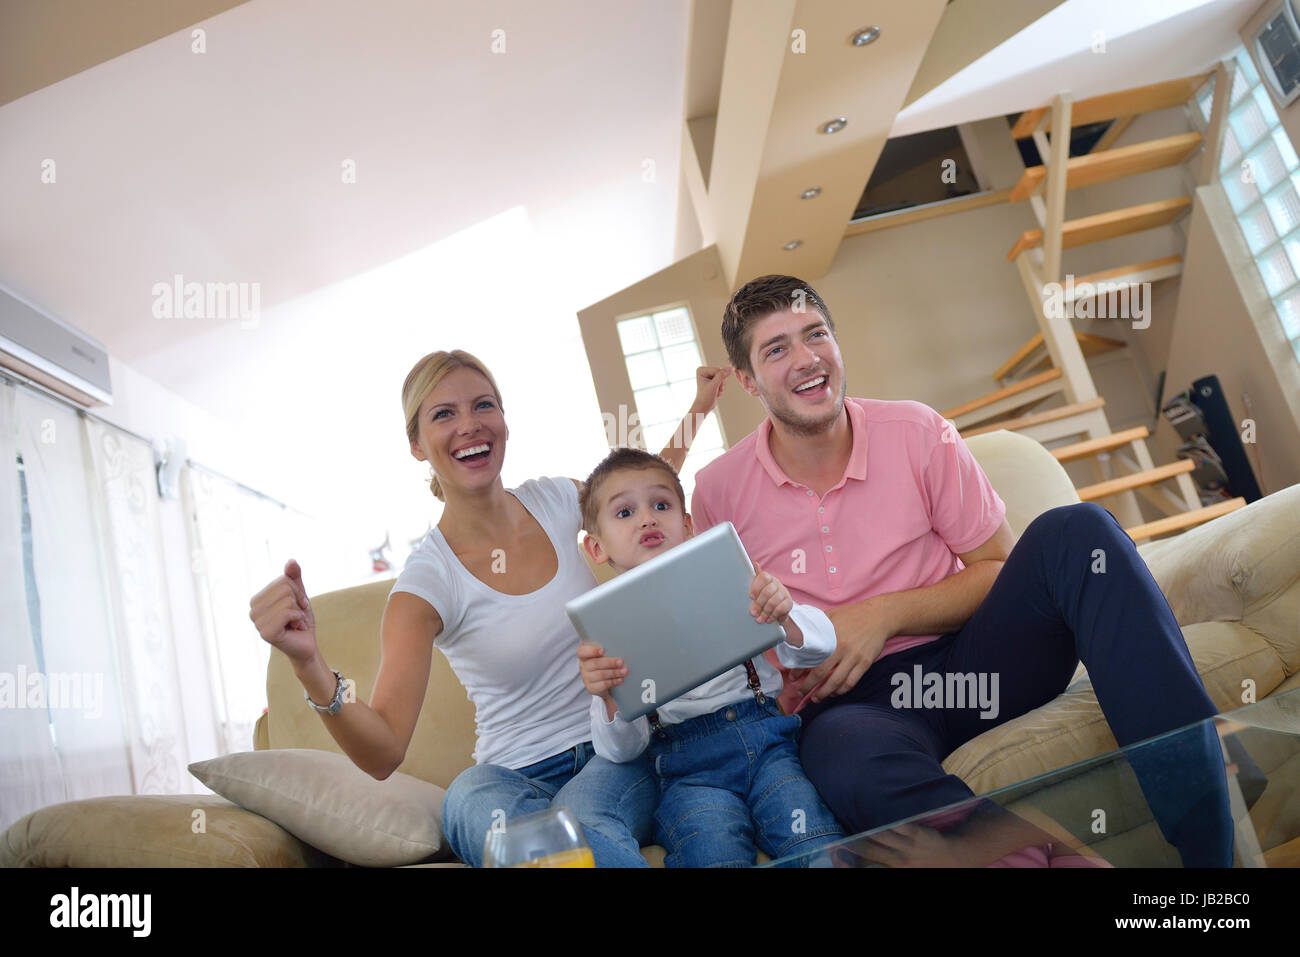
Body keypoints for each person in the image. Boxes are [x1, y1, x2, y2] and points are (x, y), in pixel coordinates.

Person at [688, 274, 1234, 868]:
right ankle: (1030, 855)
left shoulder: (917, 431)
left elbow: (996, 566)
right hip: (855, 708)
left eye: (815, 334)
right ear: (745, 380)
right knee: (841, 753)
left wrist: (884, 613)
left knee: (1079, 532)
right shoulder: (717, 492)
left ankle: (1209, 843)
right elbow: (726, 643)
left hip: (976, 660)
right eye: (776, 349)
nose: (806, 358)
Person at [248, 349, 727, 867]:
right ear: (416, 445)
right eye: (443, 414)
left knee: (577, 819)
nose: (469, 425)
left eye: (483, 405)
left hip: (610, 750)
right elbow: (384, 751)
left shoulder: (558, 501)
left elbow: (642, 495)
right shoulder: (426, 583)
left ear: (503, 420)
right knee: (468, 800)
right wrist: (306, 662)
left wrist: (698, 409)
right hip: (508, 775)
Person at [574, 447, 844, 867]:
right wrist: (609, 696)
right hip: (689, 773)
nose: (647, 518)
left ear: (686, 525)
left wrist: (785, 614)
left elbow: (821, 646)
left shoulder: (733, 578)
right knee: (710, 850)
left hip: (770, 748)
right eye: (624, 513)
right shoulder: (608, 634)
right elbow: (621, 752)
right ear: (596, 547)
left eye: (660, 505)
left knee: (812, 838)